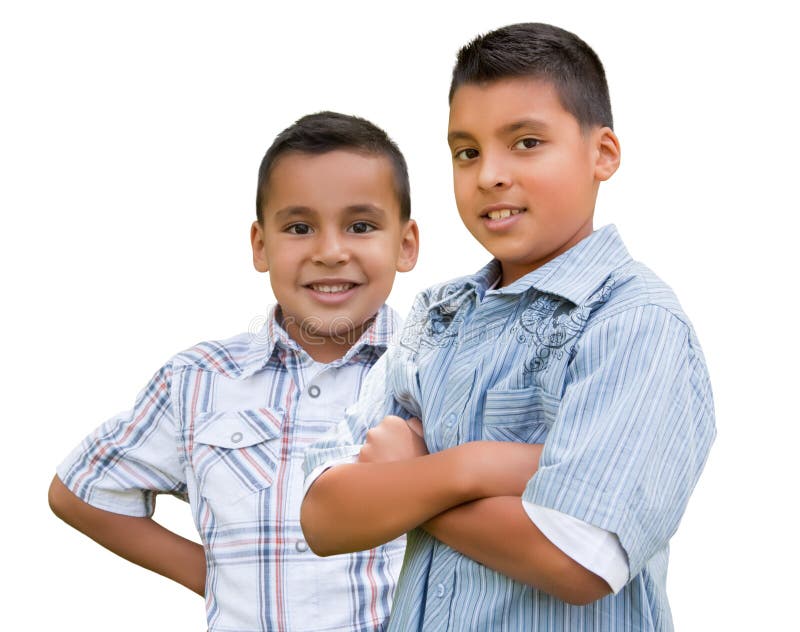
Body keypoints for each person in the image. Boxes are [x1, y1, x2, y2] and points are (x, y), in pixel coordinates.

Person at [300, 23, 715, 631]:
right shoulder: (438, 317)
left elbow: (578, 558)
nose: (489, 174)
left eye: (525, 142)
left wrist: (404, 486)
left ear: (603, 154)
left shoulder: (634, 322)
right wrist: (478, 467)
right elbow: (324, 517)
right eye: (466, 151)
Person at [49, 111, 420, 632]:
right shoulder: (199, 380)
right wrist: (212, 575)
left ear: (405, 245)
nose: (330, 251)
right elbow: (83, 490)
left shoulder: (436, 374)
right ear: (260, 246)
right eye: (299, 227)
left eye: (360, 226)